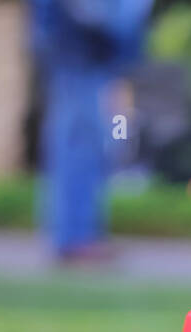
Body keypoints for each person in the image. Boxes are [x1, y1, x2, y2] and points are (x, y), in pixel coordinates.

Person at [30, 0, 153, 261]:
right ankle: (74, 239)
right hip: (80, 47)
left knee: (88, 141)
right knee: (79, 140)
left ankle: (81, 235)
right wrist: (113, 27)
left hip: (88, 48)